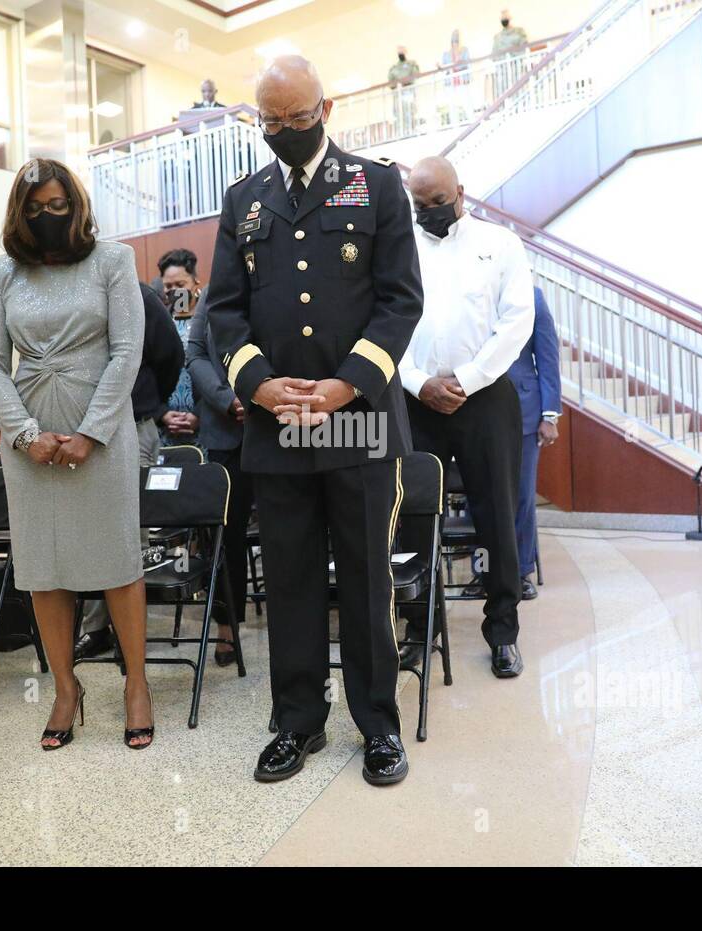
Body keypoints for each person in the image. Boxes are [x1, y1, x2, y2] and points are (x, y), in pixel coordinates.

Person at [206, 55, 424, 786]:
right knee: (293, 581)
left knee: (365, 578)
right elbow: (224, 312)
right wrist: (261, 388)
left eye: (297, 119)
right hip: (278, 425)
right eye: (270, 121)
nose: (284, 133)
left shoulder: (378, 183)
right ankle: (297, 724)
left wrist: (345, 386)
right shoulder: (244, 199)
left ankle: (377, 726)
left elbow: (400, 301)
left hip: (356, 420)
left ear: (325, 110)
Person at [0, 158, 153, 751]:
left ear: (75, 205)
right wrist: (25, 434)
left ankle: (137, 686)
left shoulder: (113, 259)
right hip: (29, 433)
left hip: (100, 426)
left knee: (116, 561)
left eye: (57, 206)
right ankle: (64, 689)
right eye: (35, 209)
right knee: (44, 569)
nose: (47, 216)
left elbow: (128, 349)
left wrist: (91, 430)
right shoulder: (4, 271)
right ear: (18, 214)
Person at [399, 155, 533, 679]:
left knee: (496, 516)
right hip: (417, 399)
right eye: (420, 205)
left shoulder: (499, 244)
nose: (430, 212)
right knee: (413, 520)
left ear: (461, 192)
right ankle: (418, 630)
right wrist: (418, 382)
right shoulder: (400, 247)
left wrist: (469, 379)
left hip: (486, 398)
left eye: (438, 202)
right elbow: (386, 320)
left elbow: (516, 320)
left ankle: (503, 632)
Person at [73, 280, 183, 662]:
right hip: (78, 431)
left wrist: (149, 402)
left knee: (129, 533)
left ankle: (129, 633)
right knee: (89, 534)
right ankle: (95, 629)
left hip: (132, 425)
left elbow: (170, 354)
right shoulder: (69, 290)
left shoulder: (137, 293)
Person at [185, 280, 251, 668]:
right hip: (225, 430)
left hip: (282, 425)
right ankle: (227, 626)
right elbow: (195, 353)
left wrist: (260, 393)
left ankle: (298, 626)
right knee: (228, 536)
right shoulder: (214, 291)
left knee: (291, 531)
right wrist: (226, 398)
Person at [508, 285, 561, 600]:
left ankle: (520, 571)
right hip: (476, 407)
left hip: (525, 410)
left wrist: (550, 415)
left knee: (522, 495)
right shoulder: (474, 288)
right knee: (479, 496)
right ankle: (482, 569)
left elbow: (547, 357)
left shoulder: (532, 296)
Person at [157, 248, 202, 446]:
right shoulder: (157, 322)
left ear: (195, 283)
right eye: (168, 286)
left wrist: (201, 414)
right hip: (165, 429)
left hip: (209, 426)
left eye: (180, 284)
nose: (174, 291)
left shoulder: (212, 318)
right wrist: (162, 413)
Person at [492, 8, 530, 98]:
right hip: (503, 70)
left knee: (518, 90)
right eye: (502, 17)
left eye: (505, 17)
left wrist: (514, 54)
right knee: (504, 93)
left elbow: (524, 46)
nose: (504, 19)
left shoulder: (519, 32)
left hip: (516, 66)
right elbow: (494, 54)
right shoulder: (497, 37)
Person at [439, 29, 474, 126]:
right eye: (453, 41)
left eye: (456, 40)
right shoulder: (446, 54)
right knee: (452, 104)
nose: (455, 43)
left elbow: (467, 63)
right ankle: (455, 124)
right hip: (451, 82)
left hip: (462, 80)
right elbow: (444, 67)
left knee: (467, 102)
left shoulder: (464, 50)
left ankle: (472, 121)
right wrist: (440, 67)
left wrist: (459, 62)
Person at [387, 46, 420, 134]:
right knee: (398, 113)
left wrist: (406, 82)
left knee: (410, 111)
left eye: (402, 51)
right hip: (398, 93)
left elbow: (416, 74)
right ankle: (400, 132)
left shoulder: (411, 64)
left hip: (408, 91)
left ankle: (411, 130)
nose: (400, 53)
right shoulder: (394, 68)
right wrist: (396, 85)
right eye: (399, 52)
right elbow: (391, 82)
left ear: (405, 52)